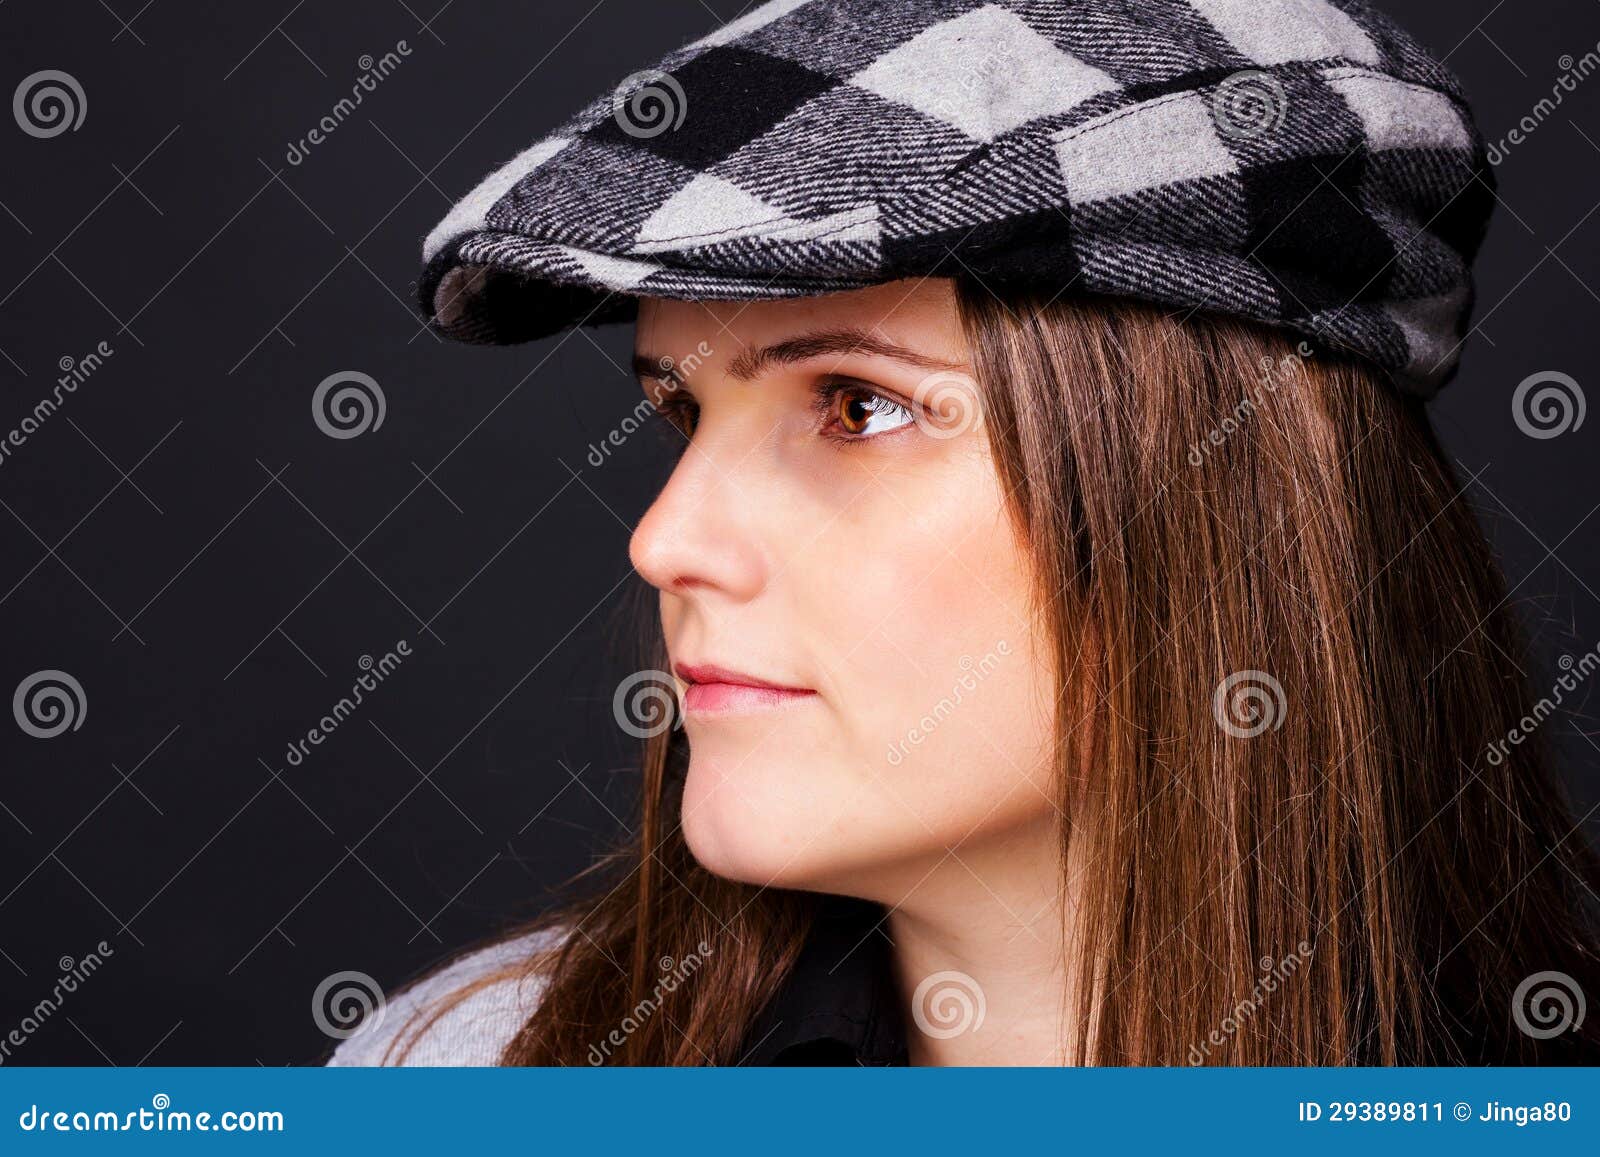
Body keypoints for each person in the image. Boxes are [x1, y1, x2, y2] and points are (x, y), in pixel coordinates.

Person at [329, 0, 1600, 1066]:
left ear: (1221, 494)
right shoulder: (468, 1074)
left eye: (856, 403)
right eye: (682, 411)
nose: (666, 542)